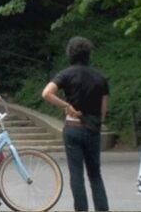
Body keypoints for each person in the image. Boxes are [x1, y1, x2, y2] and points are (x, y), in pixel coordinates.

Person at [44, 36, 110, 212]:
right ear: (89, 54)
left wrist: (67, 106)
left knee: (76, 175)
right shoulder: (100, 77)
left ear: (70, 54)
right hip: (93, 129)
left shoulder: (66, 74)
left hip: (73, 129)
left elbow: (47, 93)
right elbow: (104, 108)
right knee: (95, 175)